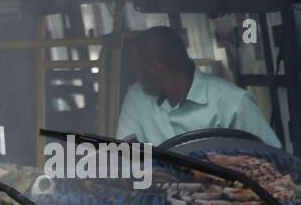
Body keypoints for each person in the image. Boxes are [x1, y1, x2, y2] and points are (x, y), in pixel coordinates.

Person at [117, 25, 281, 147]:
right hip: (159, 191)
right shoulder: (137, 97)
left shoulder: (234, 103)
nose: (136, 77)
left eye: (136, 69)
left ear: (154, 69)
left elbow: (273, 160)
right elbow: (125, 157)